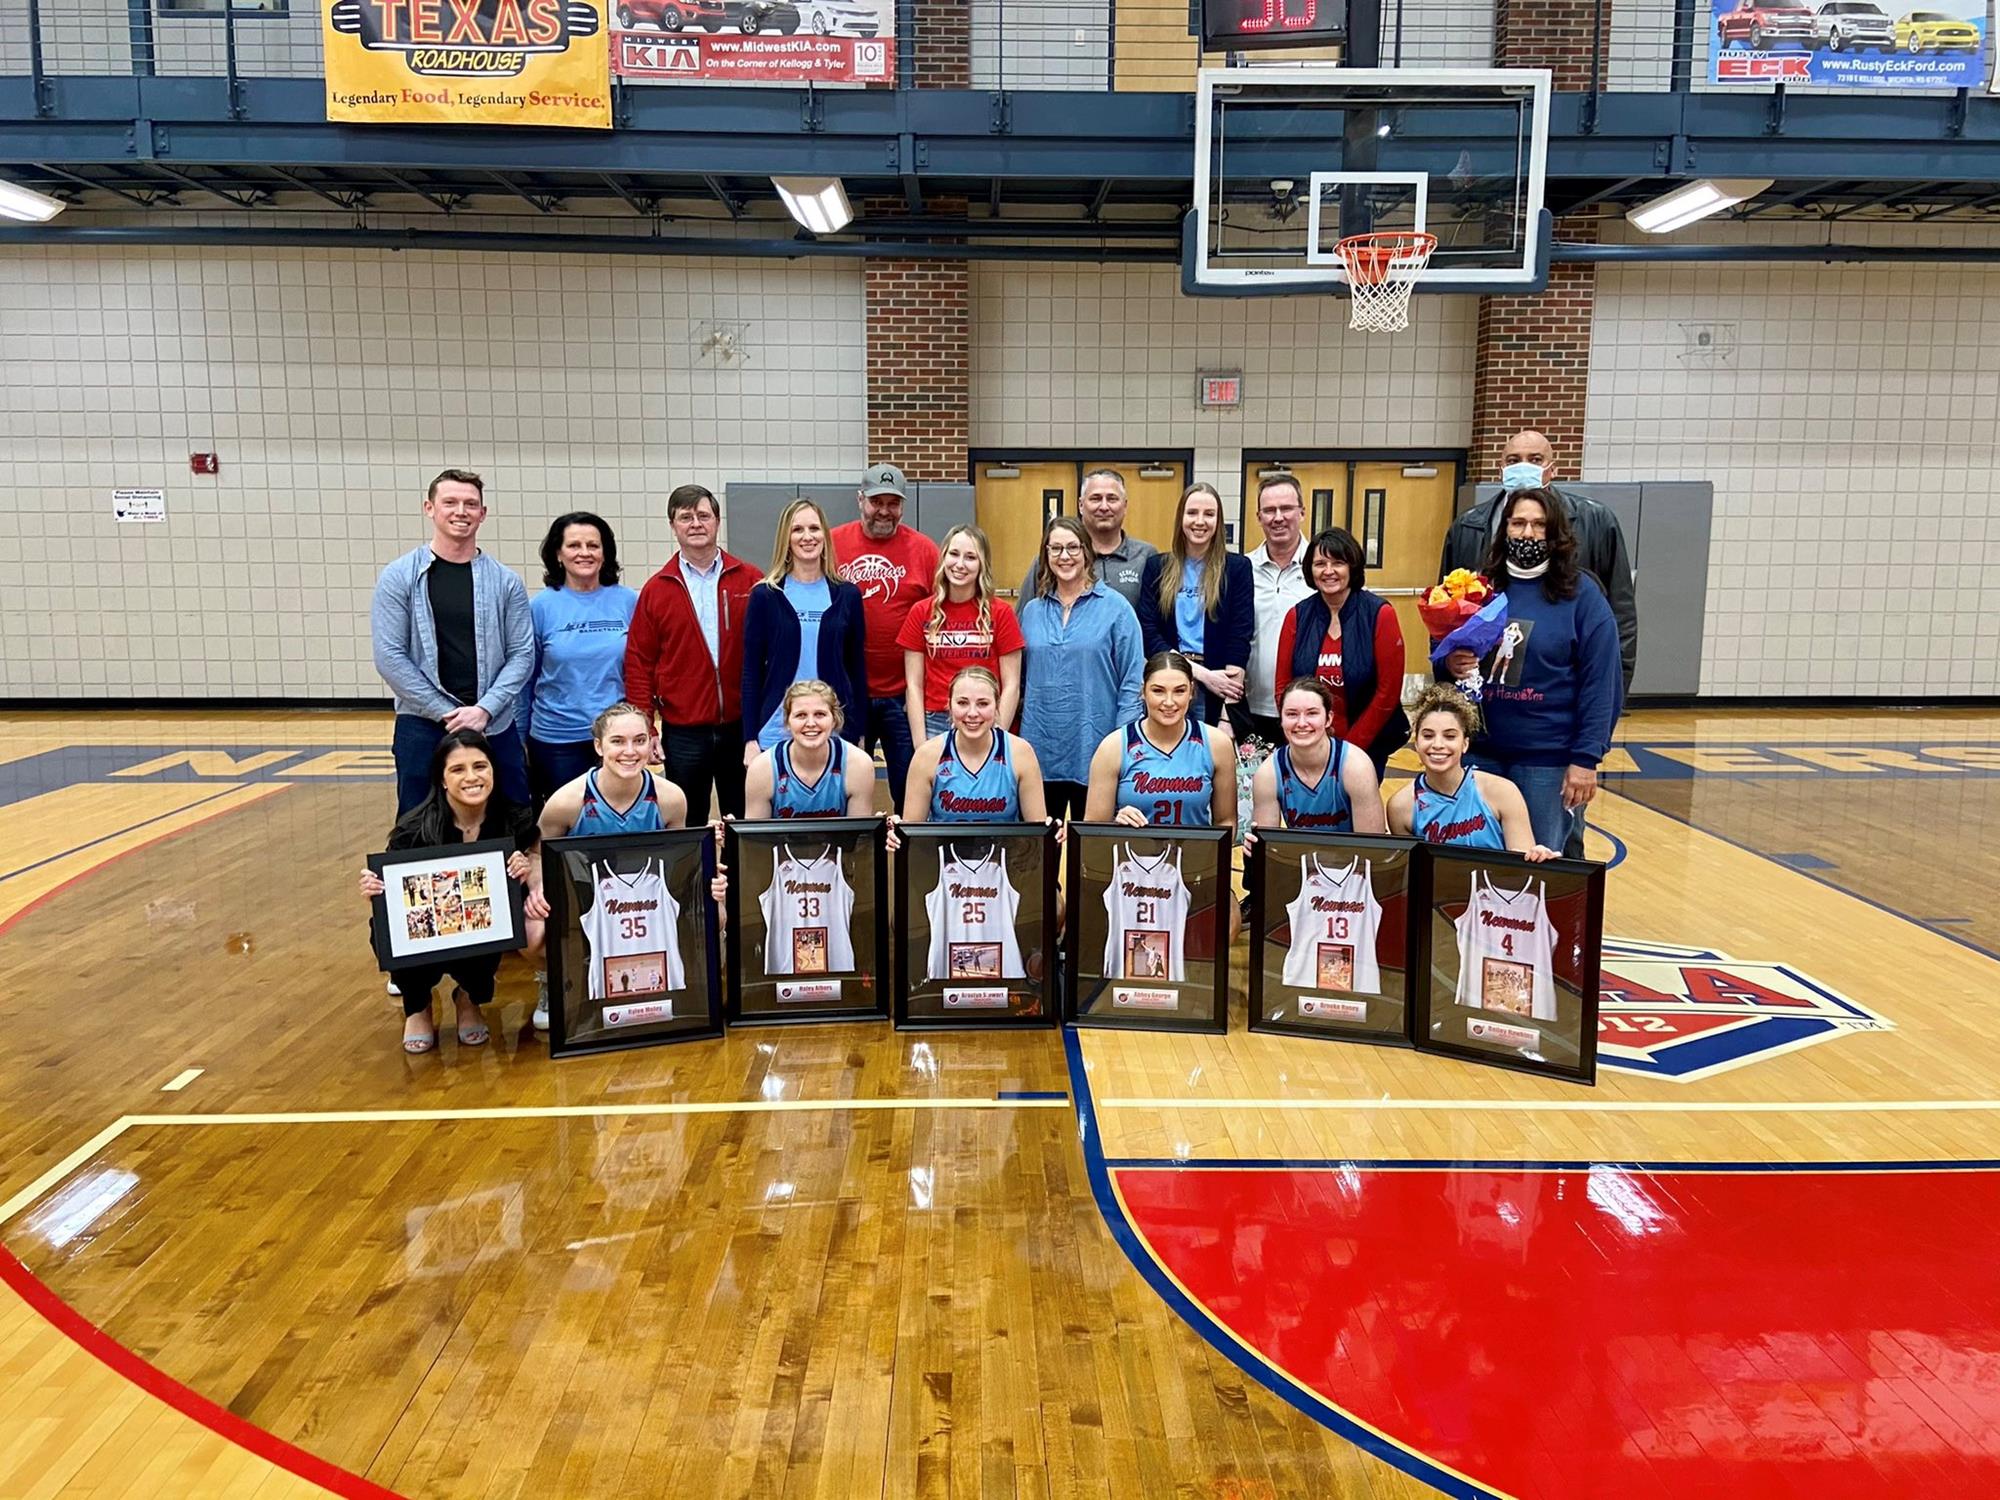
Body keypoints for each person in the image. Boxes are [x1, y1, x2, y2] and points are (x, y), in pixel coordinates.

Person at [1439, 488, 1621, 854]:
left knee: (1536, 864)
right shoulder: (1478, 587)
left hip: (1546, 760)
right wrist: (1449, 662)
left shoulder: (1582, 596)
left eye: (1539, 524)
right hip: (1480, 752)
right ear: (1504, 529)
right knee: (1473, 857)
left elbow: (1602, 685)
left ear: (1556, 533)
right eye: (1518, 522)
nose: (1527, 533)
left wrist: (1585, 759)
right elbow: (1444, 651)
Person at [535, 701, 728, 1032]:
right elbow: (537, 854)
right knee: (534, 929)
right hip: (588, 902)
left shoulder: (669, 798)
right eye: (618, 741)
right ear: (599, 746)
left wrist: (707, 871)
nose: (630, 751)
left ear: (651, 743)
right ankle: (554, 981)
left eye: (640, 740)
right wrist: (538, 887)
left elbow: (678, 863)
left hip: (646, 905)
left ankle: (683, 988)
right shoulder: (568, 801)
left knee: (717, 912)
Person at [357, 728, 549, 1054]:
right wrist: (375, 886)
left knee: (497, 912)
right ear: (442, 779)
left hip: (479, 922)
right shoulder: (414, 827)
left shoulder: (515, 820)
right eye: (458, 769)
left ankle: (469, 997)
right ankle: (418, 1006)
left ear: (493, 771)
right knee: (387, 925)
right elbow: (393, 884)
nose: (471, 777)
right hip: (431, 922)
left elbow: (534, 859)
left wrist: (524, 869)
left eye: (480, 766)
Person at [371, 468, 534, 814]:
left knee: (514, 815)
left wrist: (485, 709)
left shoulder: (506, 582)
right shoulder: (399, 576)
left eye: (470, 504)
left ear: (483, 513)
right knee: (417, 819)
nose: (461, 511)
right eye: (450, 502)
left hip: (493, 722)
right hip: (422, 723)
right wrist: (446, 713)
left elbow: (522, 654)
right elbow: (389, 655)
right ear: (429, 508)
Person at [1439, 428, 1637, 693]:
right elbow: (1446, 609)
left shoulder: (1597, 522)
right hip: (1487, 692)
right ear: (1500, 469)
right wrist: (1446, 671)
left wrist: (1615, 691)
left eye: (1534, 460)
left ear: (1552, 469)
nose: (1523, 467)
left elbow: (1620, 614)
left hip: (1563, 688)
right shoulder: (1467, 526)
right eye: (1513, 460)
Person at [624, 483, 761, 825]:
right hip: (683, 730)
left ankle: (742, 880)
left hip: (741, 725)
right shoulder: (657, 589)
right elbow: (640, 661)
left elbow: (769, 655)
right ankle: (695, 881)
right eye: (686, 517)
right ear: (673, 525)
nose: (696, 524)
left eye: (703, 515)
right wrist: (646, 725)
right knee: (687, 818)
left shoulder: (750, 580)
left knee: (744, 817)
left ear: (717, 521)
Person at [1085, 650, 1241, 939]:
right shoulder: (1114, 746)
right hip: (1133, 870)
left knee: (1226, 924)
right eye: (1158, 691)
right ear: (1142, 692)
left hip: (1195, 868)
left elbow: (1227, 821)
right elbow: (1092, 834)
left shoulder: (1215, 744)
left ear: (1192, 692)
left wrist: (1205, 863)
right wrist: (1116, 823)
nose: (1169, 702)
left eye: (1179, 691)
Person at [1017, 516, 1145, 821]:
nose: (1065, 556)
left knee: (1092, 854)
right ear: (1045, 555)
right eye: (1056, 548)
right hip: (1040, 749)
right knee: (1038, 853)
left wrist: (1121, 744)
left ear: (1087, 553)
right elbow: (1017, 678)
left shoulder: (1116, 609)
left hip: (1096, 749)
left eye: (1073, 547)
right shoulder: (1032, 611)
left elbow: (1131, 681)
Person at [831, 463, 940, 807]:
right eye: (876, 501)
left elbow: (937, 619)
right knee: (843, 785)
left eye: (893, 503)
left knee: (910, 787)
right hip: (846, 693)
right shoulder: (832, 544)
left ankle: (912, 857)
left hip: (902, 694)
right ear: (860, 499)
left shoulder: (924, 550)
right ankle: (847, 858)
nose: (884, 511)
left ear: (903, 507)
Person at [521, 511, 638, 808]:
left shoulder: (628, 602)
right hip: (557, 740)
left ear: (605, 553)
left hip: (617, 739)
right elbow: (525, 678)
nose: (584, 553)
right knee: (568, 824)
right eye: (574, 546)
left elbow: (640, 671)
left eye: (593, 545)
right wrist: (519, 737)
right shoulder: (540, 607)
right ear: (558, 554)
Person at [1272, 527, 1410, 776]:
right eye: (1320, 563)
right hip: (1307, 742)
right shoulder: (1297, 616)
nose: (1328, 571)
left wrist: (1349, 750)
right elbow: (1283, 686)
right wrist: (1302, 734)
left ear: (1352, 567)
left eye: (1338, 563)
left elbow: (1387, 693)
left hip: (1366, 746)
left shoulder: (1379, 614)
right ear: (1310, 570)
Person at [741, 499, 868, 764]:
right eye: (798, 530)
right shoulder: (766, 595)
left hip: (834, 728)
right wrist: (750, 738)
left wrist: (860, 729)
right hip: (776, 729)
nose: (807, 537)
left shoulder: (847, 595)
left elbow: (856, 670)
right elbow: (751, 671)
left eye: (814, 528)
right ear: (786, 538)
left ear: (825, 536)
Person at [1136, 483, 1254, 737]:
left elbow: (1240, 638)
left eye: (1209, 514)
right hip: (1170, 684)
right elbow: (1149, 633)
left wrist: (1227, 714)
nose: (1200, 521)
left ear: (1218, 521)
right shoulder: (1157, 567)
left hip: (1217, 691)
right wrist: (1200, 674)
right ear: (1181, 518)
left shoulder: (1237, 569)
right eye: (1192, 513)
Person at [1388, 686, 1556, 860]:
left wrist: (1537, 857)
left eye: (1450, 736)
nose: (1438, 744)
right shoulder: (1401, 807)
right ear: (1416, 744)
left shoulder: (1503, 792)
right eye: (1428, 736)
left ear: (1465, 744)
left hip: (1496, 884)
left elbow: (1522, 864)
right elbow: (1410, 875)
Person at [897, 524, 1023, 744]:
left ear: (982, 564)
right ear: (944, 557)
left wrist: (998, 736)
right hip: (935, 720)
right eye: (954, 554)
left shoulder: (1001, 613)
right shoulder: (921, 612)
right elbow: (914, 685)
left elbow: (1011, 684)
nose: (960, 564)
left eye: (971, 557)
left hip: (984, 720)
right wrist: (920, 744)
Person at [902, 666, 1048, 824]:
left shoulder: (1020, 753)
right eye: (962, 703)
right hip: (941, 848)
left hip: (1005, 848)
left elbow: (1038, 833)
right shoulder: (927, 756)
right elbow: (911, 835)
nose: (972, 713)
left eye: (983, 704)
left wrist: (1051, 831)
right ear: (949, 706)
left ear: (997, 706)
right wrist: (897, 833)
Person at [1247, 677, 1388, 837]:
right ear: (1282, 720)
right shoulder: (1268, 774)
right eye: (1292, 714)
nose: (1301, 723)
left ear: (1328, 719)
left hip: (1352, 859)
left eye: (1312, 713)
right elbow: (1266, 848)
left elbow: (1373, 847)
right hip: (1297, 859)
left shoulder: (1356, 766)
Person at [1017, 467, 1158, 607]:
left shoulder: (1146, 556)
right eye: (1096, 498)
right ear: (1081, 505)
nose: (1104, 506)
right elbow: (1023, 620)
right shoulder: (1054, 559)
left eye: (1112, 499)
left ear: (1125, 505)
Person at [1244, 474, 1314, 748]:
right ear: (1259, 516)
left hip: (1307, 712)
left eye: (1286, 508)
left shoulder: (1322, 568)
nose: (1278, 517)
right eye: (1269, 510)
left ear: (1302, 512)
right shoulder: (1241, 570)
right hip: (1250, 708)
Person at [744, 680, 878, 818]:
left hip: (840, 841)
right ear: (787, 722)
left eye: (820, 714)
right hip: (779, 841)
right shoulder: (762, 769)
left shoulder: (858, 765)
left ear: (834, 720)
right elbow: (755, 838)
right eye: (801, 715)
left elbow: (860, 835)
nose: (811, 723)